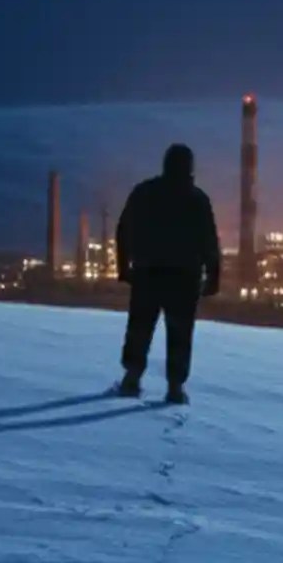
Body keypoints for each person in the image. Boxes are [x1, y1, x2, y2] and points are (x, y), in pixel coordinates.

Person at [115, 143, 221, 404]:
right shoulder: (197, 199)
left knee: (140, 327)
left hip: (148, 274)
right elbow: (209, 242)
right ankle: (174, 387)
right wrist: (213, 276)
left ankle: (132, 378)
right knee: (180, 333)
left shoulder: (144, 192)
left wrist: (123, 267)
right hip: (184, 279)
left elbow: (123, 231)